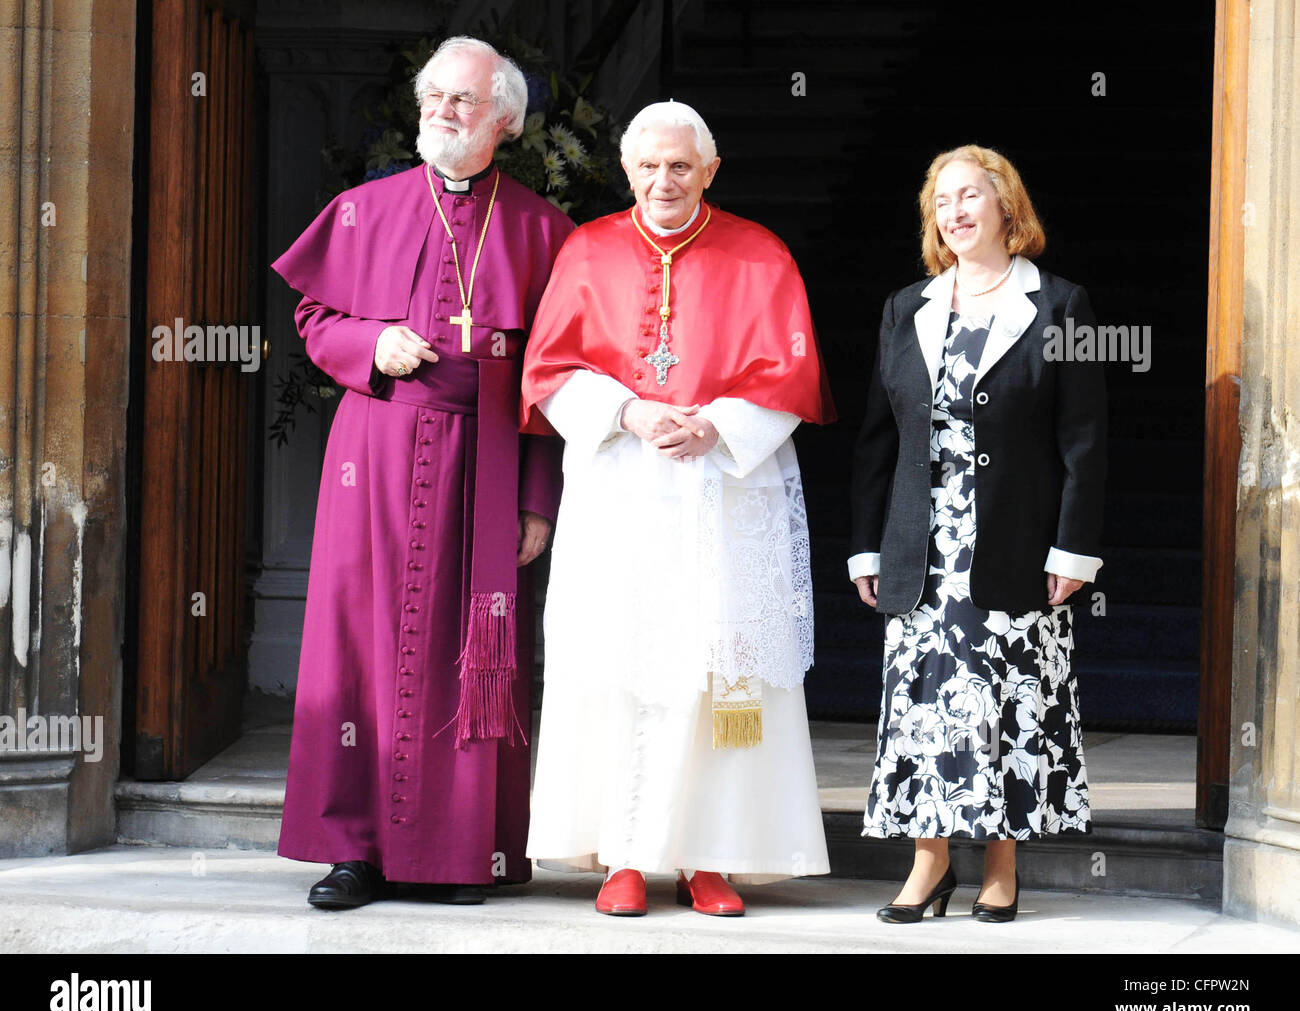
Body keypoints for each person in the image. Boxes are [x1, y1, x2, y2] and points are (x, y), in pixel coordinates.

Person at [270, 36, 573, 909]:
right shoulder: (367, 209)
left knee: (467, 651)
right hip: (378, 449)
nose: (443, 111)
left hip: (488, 452)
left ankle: (455, 850)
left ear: (504, 121)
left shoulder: (542, 229)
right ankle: (354, 852)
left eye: (464, 100)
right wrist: (372, 342)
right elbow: (316, 315)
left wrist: (537, 503)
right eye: (434, 96)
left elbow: (551, 385)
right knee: (361, 647)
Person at [519, 101, 836, 917]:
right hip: (621, 487)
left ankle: (710, 854)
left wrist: (716, 423)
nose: (665, 181)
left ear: (710, 171)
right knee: (616, 659)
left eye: (681, 167)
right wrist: (628, 412)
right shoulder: (587, 251)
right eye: (649, 166)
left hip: (724, 488)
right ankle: (623, 853)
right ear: (627, 170)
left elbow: (792, 375)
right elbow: (548, 369)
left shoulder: (759, 255)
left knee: (717, 670)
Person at [849, 144, 1106, 923]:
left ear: (1006, 207)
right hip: (921, 547)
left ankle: (1001, 864)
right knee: (925, 703)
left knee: (1007, 703)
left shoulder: (1064, 305)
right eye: (942, 201)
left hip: (1017, 543)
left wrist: (1073, 550)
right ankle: (928, 865)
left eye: (971, 196)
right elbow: (876, 438)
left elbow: (1086, 436)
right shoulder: (906, 307)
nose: (955, 212)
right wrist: (867, 544)